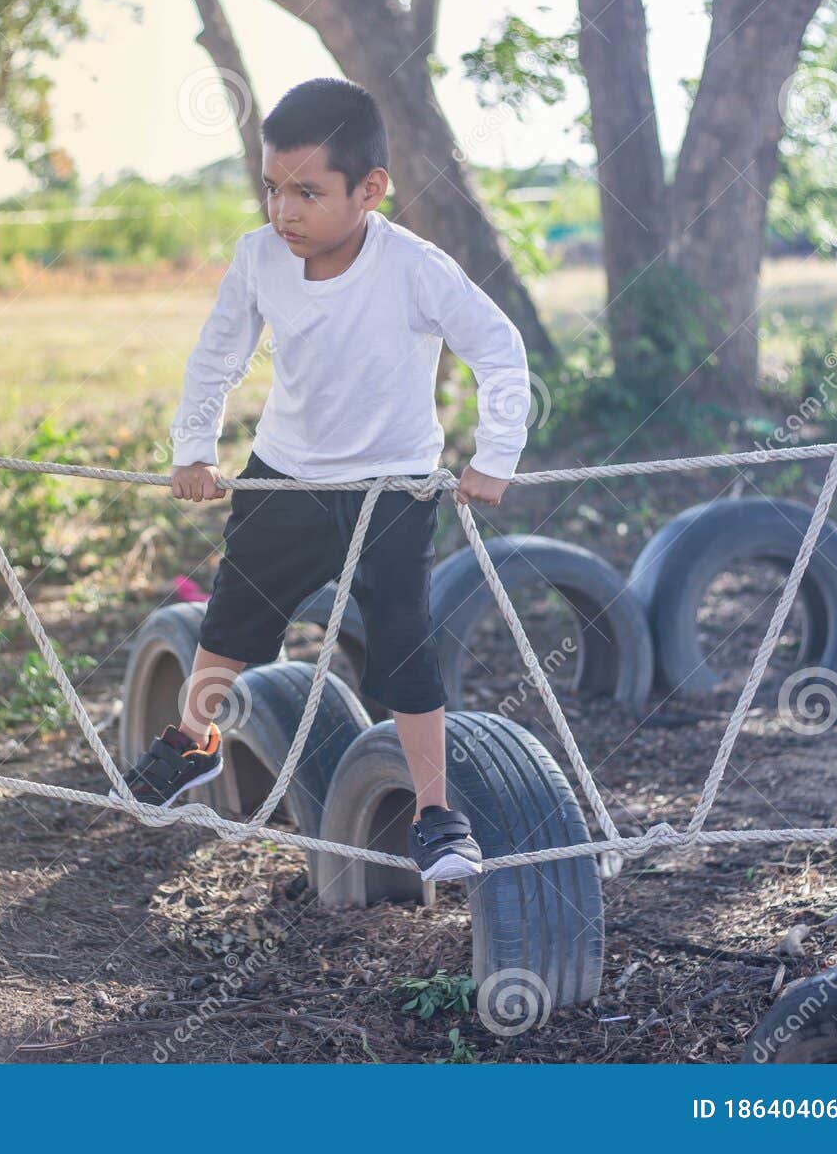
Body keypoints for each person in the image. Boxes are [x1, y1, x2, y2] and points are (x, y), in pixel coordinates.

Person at [115, 77, 531, 882]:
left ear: (370, 189)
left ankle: (438, 814)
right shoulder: (259, 257)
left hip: (392, 487)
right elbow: (218, 354)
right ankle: (195, 742)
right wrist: (193, 447)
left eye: (308, 192)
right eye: (273, 188)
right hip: (287, 475)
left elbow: (499, 345)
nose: (285, 211)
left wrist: (495, 456)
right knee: (232, 616)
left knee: (406, 640)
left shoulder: (413, 266)